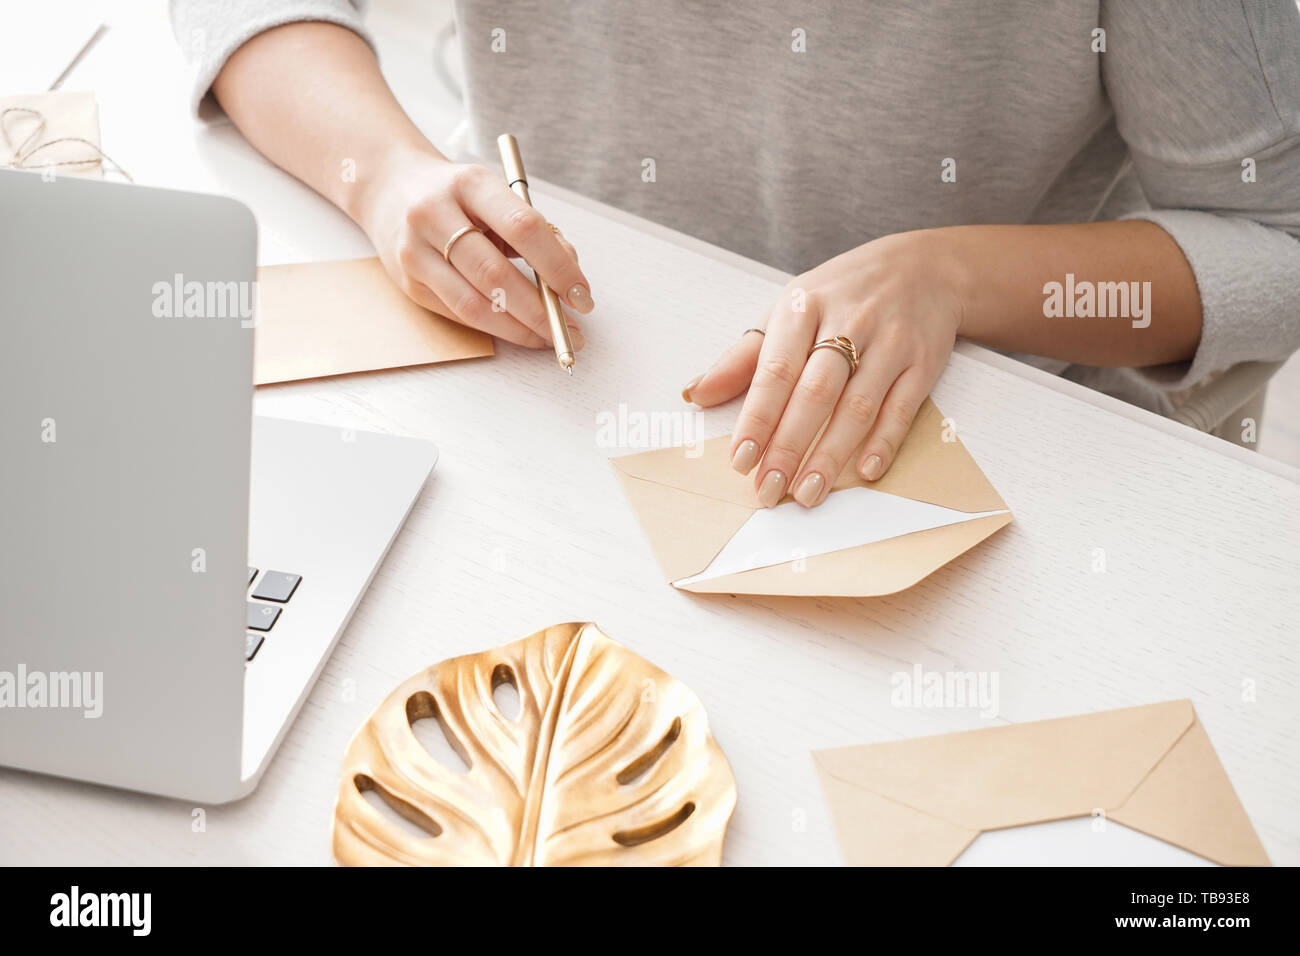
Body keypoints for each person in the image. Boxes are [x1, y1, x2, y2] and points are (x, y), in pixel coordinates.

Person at [171, 1, 1300, 508]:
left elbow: (1275, 241)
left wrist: (954, 278)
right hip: (526, 397)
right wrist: (388, 174)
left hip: (958, 456)